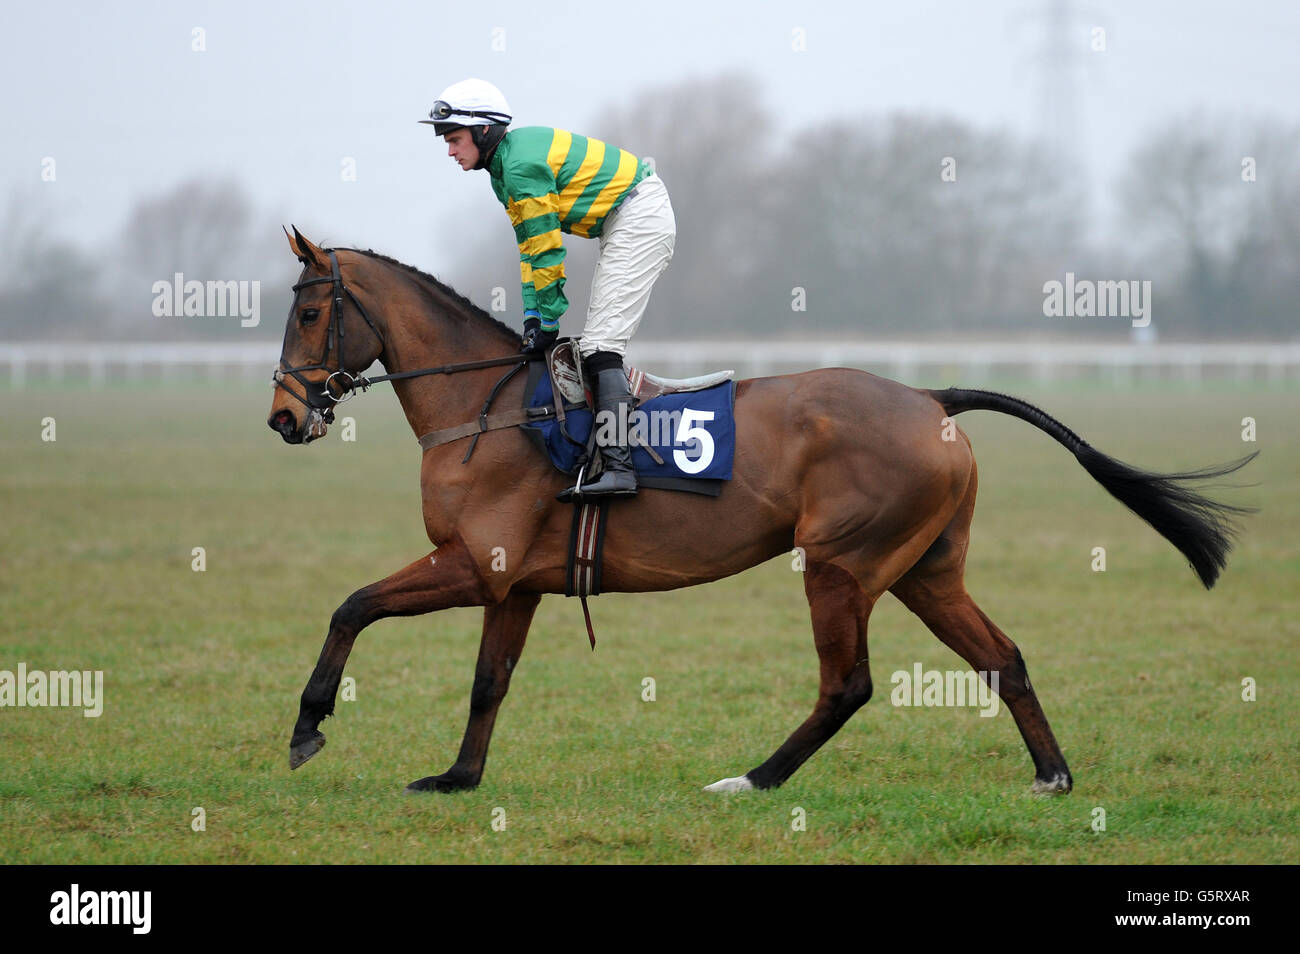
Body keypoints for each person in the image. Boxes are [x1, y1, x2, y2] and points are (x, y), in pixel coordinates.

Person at [421, 78, 676, 498]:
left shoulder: (520, 166)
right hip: (625, 218)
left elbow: (547, 250)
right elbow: (529, 248)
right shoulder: (503, 170)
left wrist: (550, 318)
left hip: (639, 216)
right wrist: (534, 318)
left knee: (600, 347)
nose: (450, 151)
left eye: (455, 139)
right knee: (592, 343)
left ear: (484, 131)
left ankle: (619, 468)